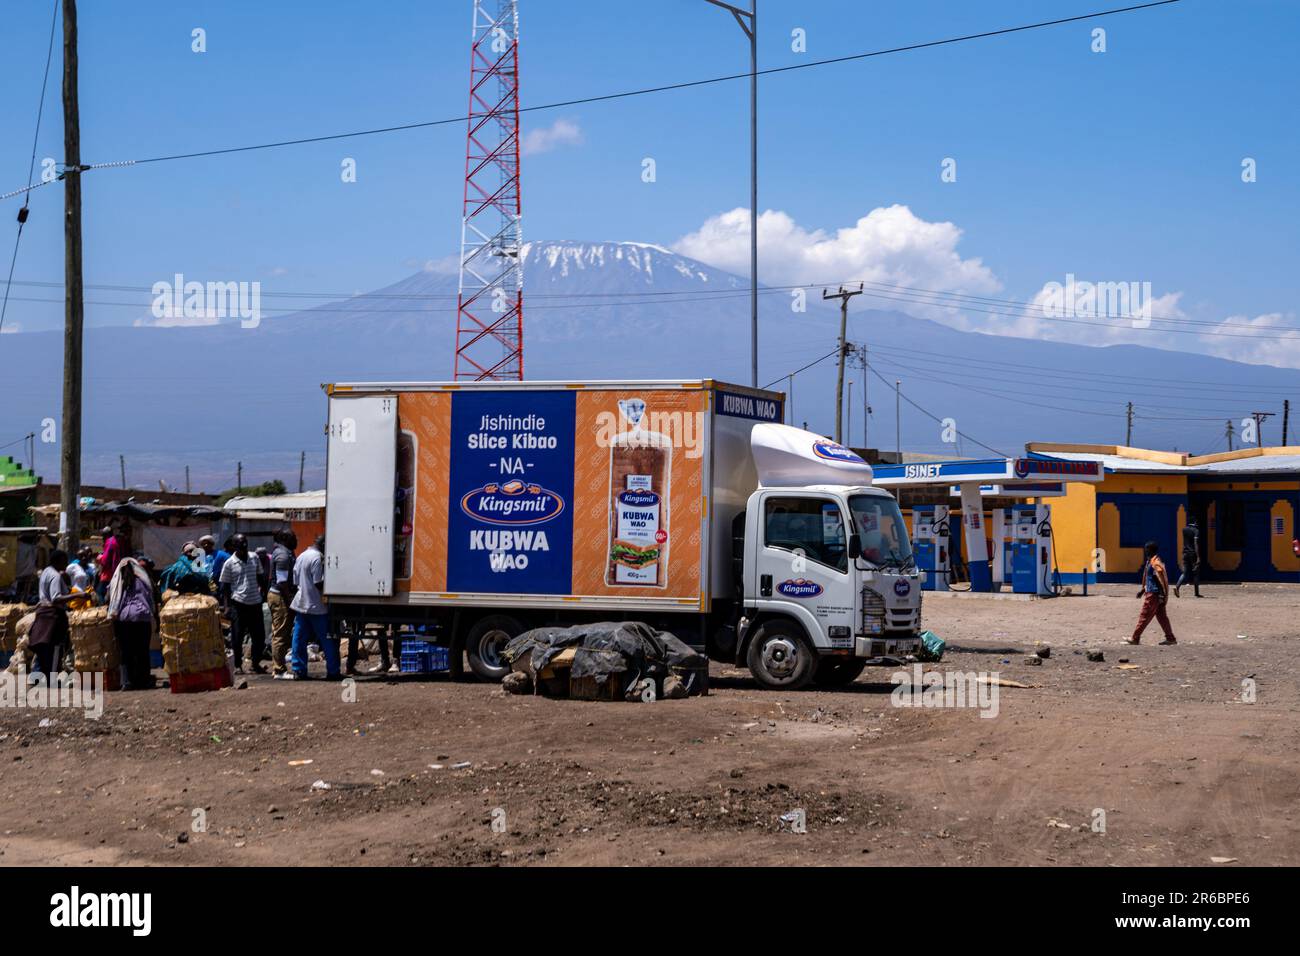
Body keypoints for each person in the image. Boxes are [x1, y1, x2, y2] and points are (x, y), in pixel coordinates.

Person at [219, 534, 268, 674]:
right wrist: (227, 607)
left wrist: (263, 593)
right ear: (234, 546)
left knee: (259, 636)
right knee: (237, 636)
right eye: (240, 543)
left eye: (245, 542)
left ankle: (255, 663)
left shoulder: (254, 557)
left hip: (255, 603)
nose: (244, 545)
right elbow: (225, 588)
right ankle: (238, 665)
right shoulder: (229, 563)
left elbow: (260, 577)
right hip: (238, 604)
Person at [290, 534, 337, 680]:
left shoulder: (302, 556)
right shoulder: (318, 558)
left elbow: (296, 580)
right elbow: (318, 582)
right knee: (327, 639)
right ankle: (333, 671)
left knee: (299, 639)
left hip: (301, 603)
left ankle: (298, 670)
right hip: (317, 606)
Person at [108, 555, 157, 690]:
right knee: (142, 651)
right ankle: (143, 680)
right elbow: (150, 597)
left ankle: (126, 682)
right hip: (141, 617)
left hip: (124, 619)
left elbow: (111, 600)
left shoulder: (117, 582)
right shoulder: (143, 581)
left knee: (125, 652)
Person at [29, 550, 76, 680]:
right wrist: (79, 595)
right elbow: (56, 598)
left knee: (42, 647)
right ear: (57, 561)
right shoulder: (56, 576)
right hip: (53, 616)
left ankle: (36, 677)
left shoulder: (45, 572)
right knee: (55, 648)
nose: (66, 564)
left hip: (42, 613)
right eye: (64, 561)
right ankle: (51, 679)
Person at [1126, 540, 1177, 646]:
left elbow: (1158, 578)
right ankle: (1170, 638)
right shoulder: (1150, 561)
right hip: (1154, 593)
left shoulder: (1155, 563)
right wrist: (1142, 590)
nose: (1145, 551)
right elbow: (1151, 579)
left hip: (1153, 594)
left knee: (1144, 615)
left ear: (1150, 550)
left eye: (1147, 549)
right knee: (1162, 617)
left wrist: (1162, 594)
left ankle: (1135, 638)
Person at [268, 530, 298, 679]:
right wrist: (290, 600)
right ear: (286, 538)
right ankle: (279, 670)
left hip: (280, 595)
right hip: (280, 596)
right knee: (280, 634)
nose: (296, 540)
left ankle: (279, 666)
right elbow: (282, 582)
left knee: (282, 632)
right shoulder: (283, 555)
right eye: (294, 537)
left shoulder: (285, 553)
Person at [1175, 518, 1202, 598]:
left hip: (1185, 553)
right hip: (1193, 553)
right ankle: (1196, 593)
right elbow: (1195, 543)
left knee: (1184, 572)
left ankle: (1177, 587)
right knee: (1196, 572)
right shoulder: (1196, 531)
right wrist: (1198, 557)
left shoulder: (1184, 530)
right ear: (1195, 522)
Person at [96, 526, 122, 602]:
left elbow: (105, 560)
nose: (102, 537)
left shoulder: (109, 542)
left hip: (108, 574)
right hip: (115, 573)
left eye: (103, 535)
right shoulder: (115, 541)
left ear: (105, 535)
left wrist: (99, 558)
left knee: (100, 593)